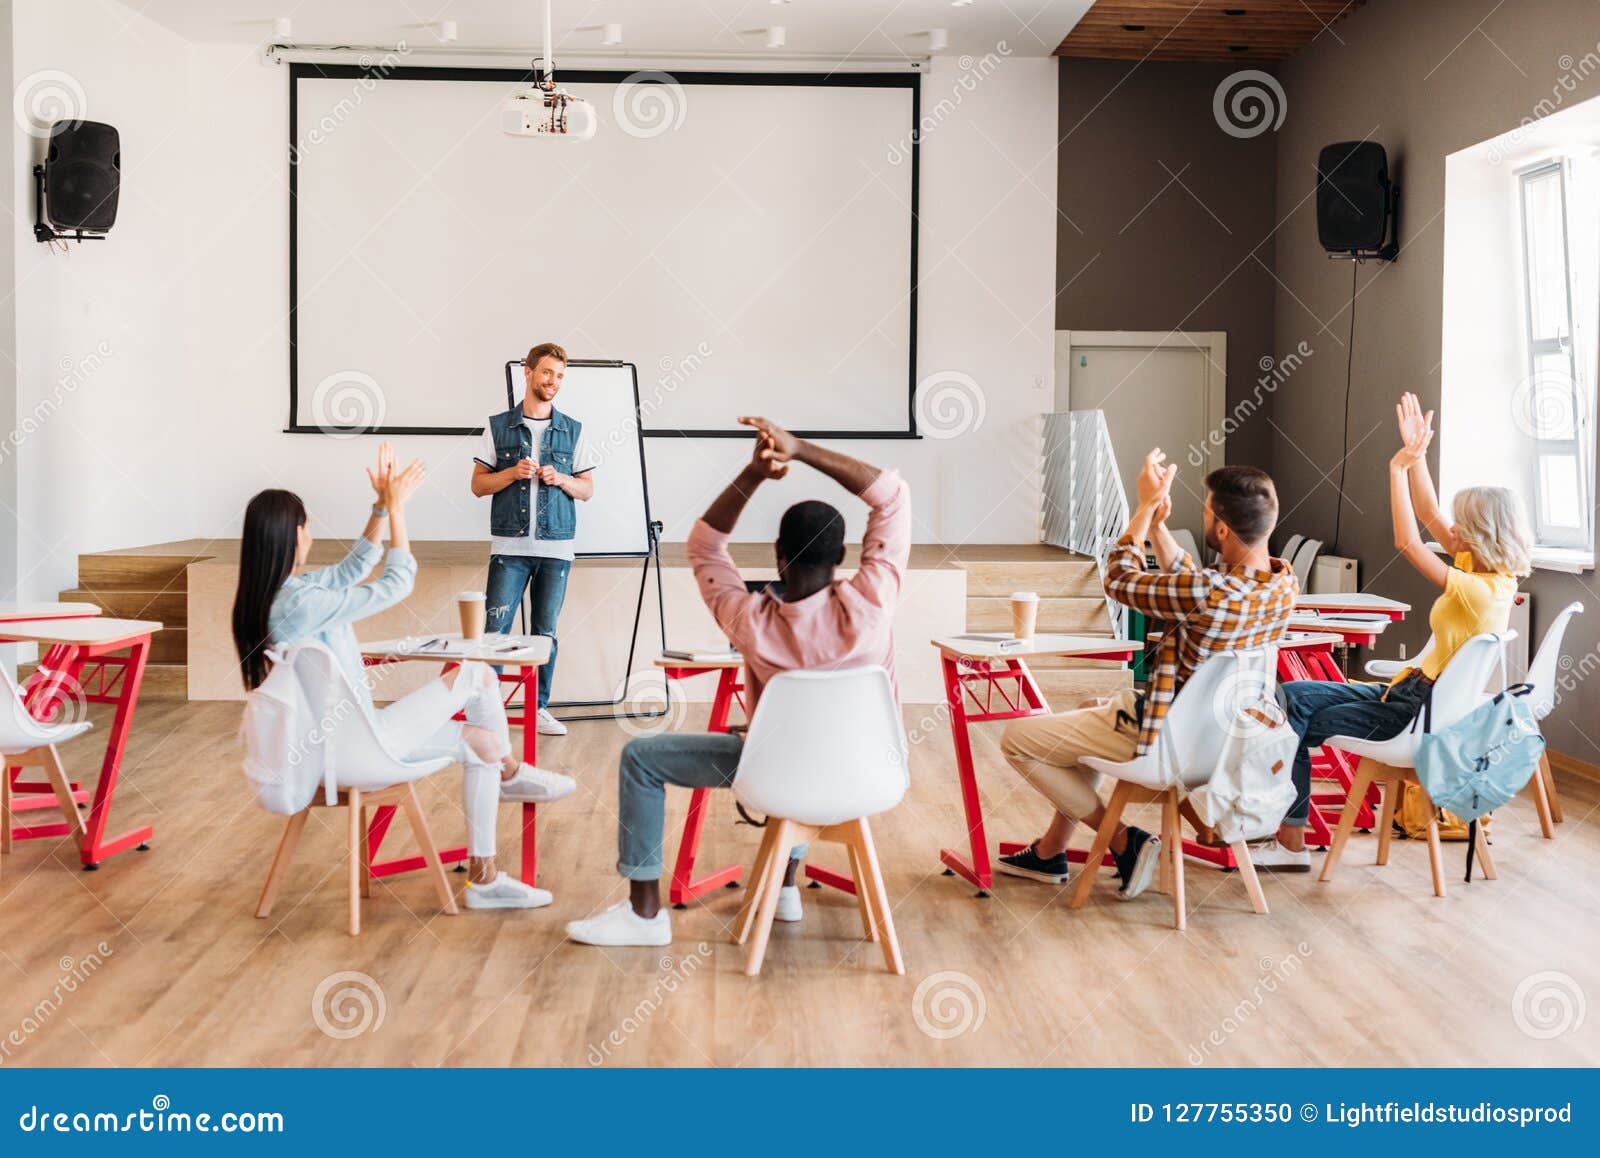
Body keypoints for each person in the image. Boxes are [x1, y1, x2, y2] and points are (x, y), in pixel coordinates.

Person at [565, 417, 911, 947]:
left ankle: (644, 915)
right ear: (843, 558)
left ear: (778, 555)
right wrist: (801, 449)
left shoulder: (750, 622)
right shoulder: (873, 607)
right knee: (801, 745)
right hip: (873, 774)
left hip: (781, 776)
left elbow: (704, 547)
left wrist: (753, 472)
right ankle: (787, 886)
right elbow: (891, 498)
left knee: (643, 758)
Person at [232, 443, 576, 910]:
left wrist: (380, 505)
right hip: (358, 751)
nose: (311, 532)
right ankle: (512, 777)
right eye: (307, 525)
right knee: (475, 675)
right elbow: (396, 582)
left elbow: (353, 567)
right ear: (294, 534)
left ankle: (486, 875)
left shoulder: (286, 595)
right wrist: (397, 513)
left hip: (340, 747)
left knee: (484, 744)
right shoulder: (300, 604)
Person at [996, 451, 1298, 897]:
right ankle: (1049, 852)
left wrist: (1140, 510)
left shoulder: (1207, 592)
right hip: (1222, 746)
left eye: (1206, 512)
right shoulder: (1280, 585)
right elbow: (1195, 583)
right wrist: (1157, 526)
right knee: (1085, 710)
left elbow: (1118, 579)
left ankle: (1122, 840)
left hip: (1160, 738)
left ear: (1220, 530)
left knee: (1017, 740)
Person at [1259, 393, 1532, 869]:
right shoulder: (1493, 576)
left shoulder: (1478, 590)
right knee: (1290, 695)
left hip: (1411, 716)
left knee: (1290, 720)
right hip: (1406, 695)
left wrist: (1396, 469)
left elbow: (1409, 540)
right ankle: (1284, 827)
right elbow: (1428, 516)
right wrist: (1418, 456)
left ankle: (1289, 840)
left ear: (1483, 533)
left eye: (1463, 525)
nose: (1454, 533)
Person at [471, 342, 601, 737]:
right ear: (527, 372)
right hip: (509, 550)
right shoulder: (496, 426)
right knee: (495, 633)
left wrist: (560, 478)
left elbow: (587, 489)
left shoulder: (574, 430)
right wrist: (511, 473)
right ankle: (486, 710)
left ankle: (539, 707)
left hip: (556, 549)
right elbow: (478, 486)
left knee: (545, 632)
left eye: (560, 375)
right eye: (547, 373)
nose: (553, 382)